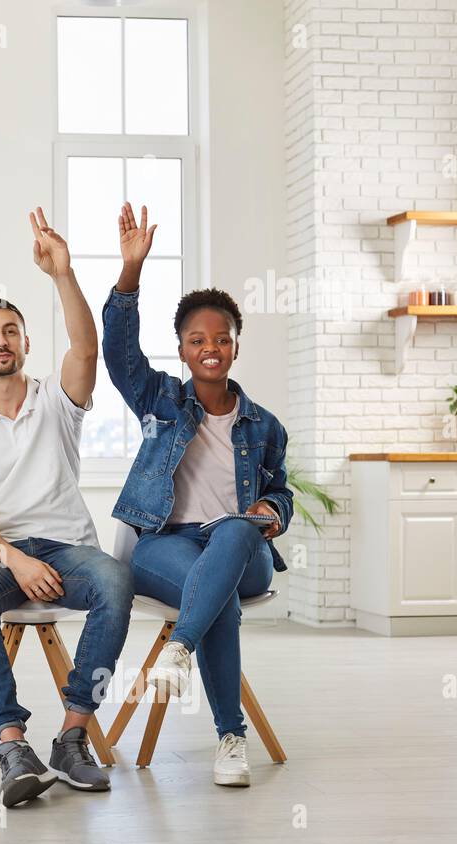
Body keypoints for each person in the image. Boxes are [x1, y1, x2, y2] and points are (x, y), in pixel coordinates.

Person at [0, 209, 133, 808]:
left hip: (67, 546)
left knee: (115, 582)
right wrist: (11, 557)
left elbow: (85, 346)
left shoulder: (56, 400)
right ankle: (12, 745)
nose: (2, 340)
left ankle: (73, 738)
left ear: (24, 342)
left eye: (11, 331)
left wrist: (62, 274)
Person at [102, 202, 294, 787]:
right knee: (219, 601)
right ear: (182, 349)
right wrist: (130, 273)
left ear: (236, 345)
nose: (210, 347)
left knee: (236, 529)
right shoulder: (160, 400)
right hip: (166, 544)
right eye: (196, 339)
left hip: (242, 549)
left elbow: (281, 492)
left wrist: (273, 511)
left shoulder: (264, 426)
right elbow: (118, 354)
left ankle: (178, 648)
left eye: (222, 338)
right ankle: (230, 739)